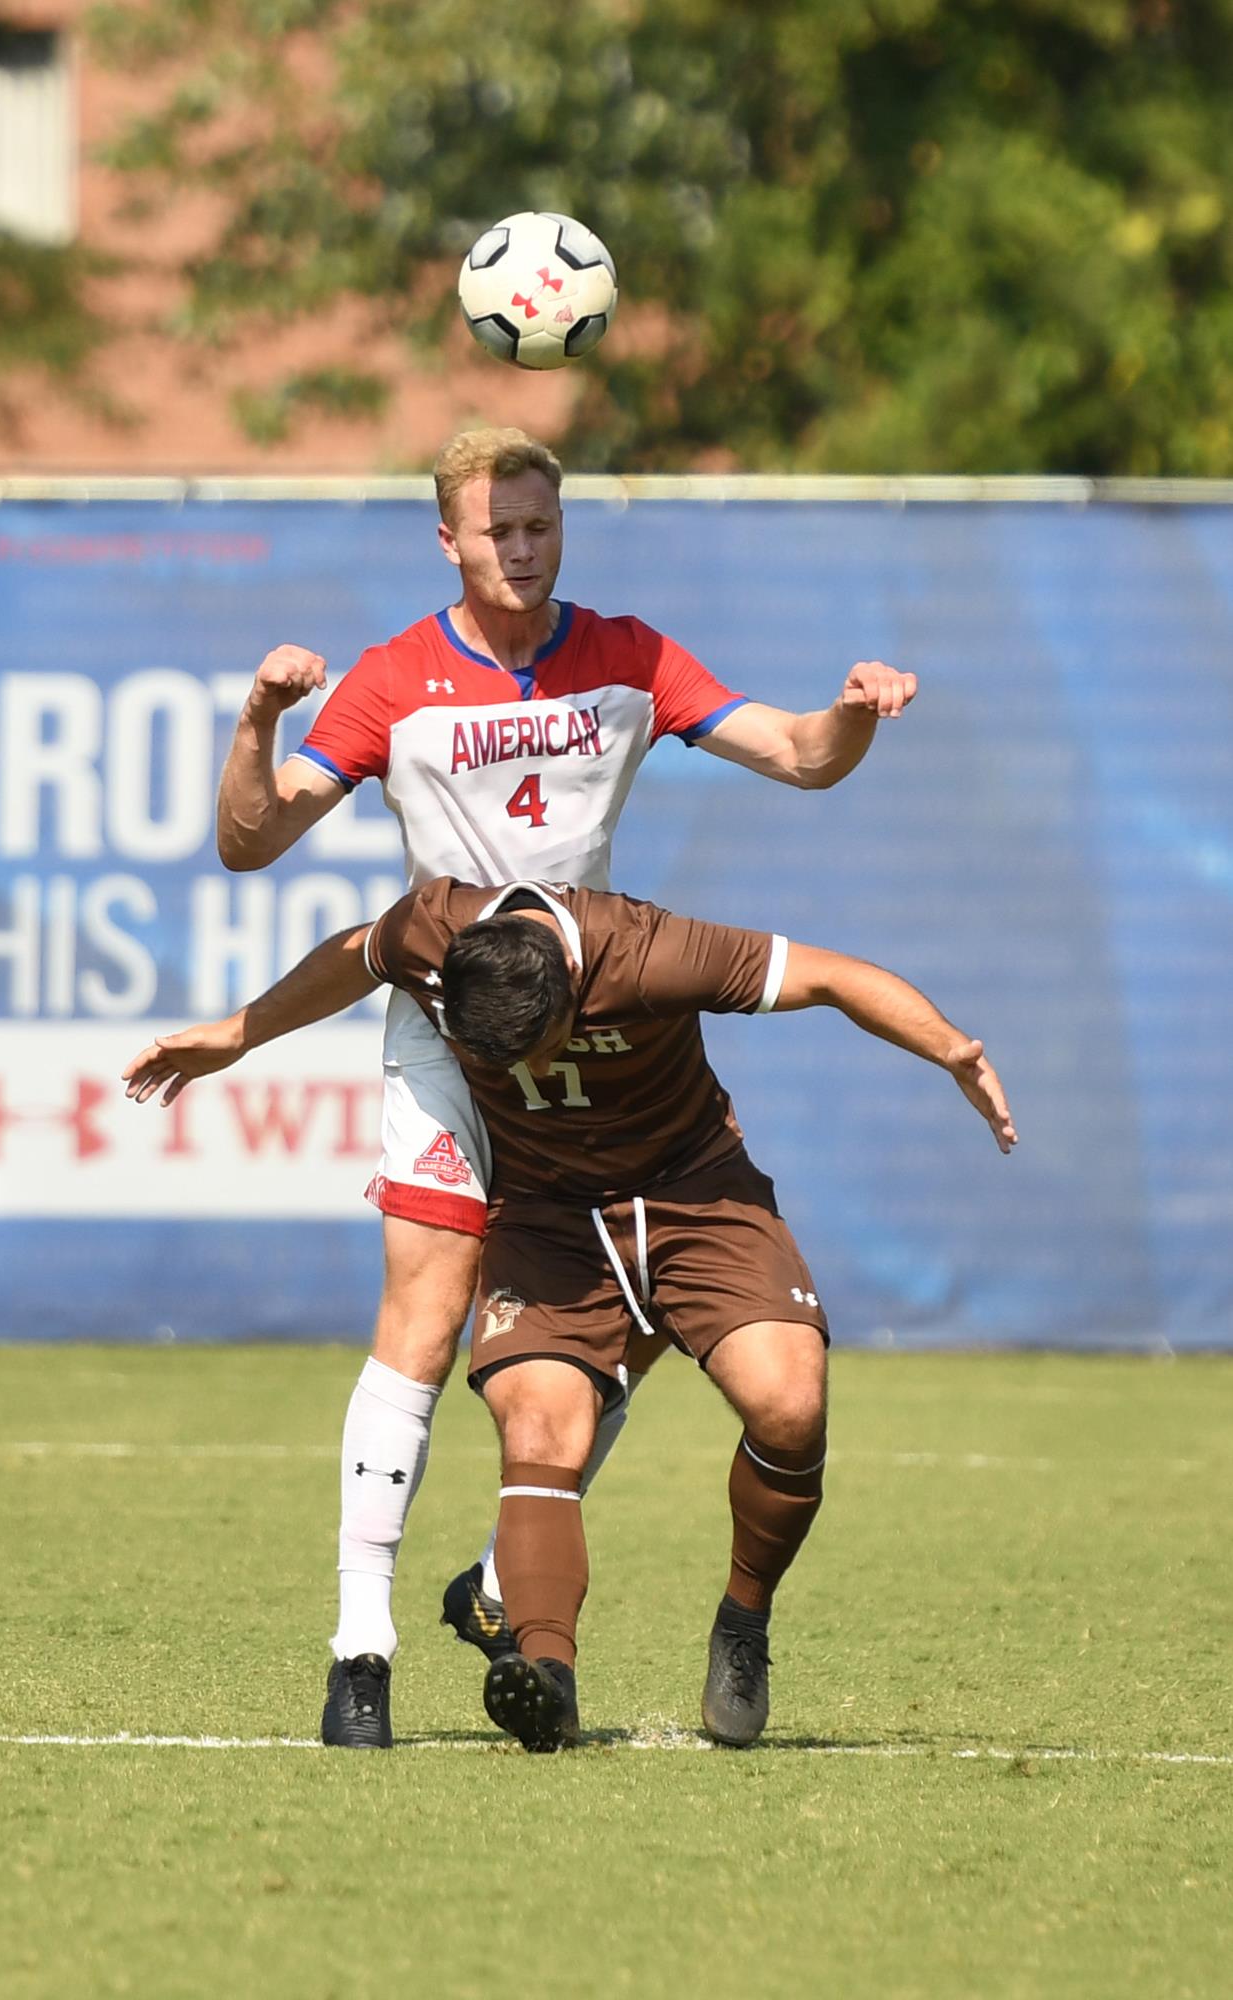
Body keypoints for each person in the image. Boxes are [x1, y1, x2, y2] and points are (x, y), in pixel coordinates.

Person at [214, 424, 918, 1745]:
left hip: (580, 1022)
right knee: (421, 1317)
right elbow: (249, 841)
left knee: (623, 1318)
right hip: (450, 1025)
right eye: (498, 532)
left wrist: (854, 714)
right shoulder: (394, 679)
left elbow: (801, 755)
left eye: (542, 527)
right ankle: (358, 1649)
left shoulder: (631, 655)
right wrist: (260, 721)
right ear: (450, 541)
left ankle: (500, 1576)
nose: (523, 552)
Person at [123, 877, 1015, 1751]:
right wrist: (239, 1036)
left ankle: (743, 1622)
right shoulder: (431, 931)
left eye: (538, 1049)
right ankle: (545, 1674)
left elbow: (834, 976)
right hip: (547, 1221)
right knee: (541, 1429)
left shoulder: (657, 953)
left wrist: (950, 1049)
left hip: (694, 1197)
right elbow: (352, 957)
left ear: (570, 991)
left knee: (788, 1408)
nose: (527, 1073)